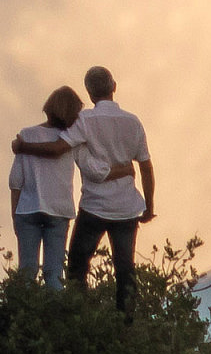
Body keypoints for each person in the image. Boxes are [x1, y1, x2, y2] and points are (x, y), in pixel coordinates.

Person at [13, 66, 154, 317]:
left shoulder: (85, 121)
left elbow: (57, 148)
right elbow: (145, 167)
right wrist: (149, 206)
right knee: (125, 269)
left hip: (95, 207)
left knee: (77, 265)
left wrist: (24, 147)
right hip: (127, 208)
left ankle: (79, 318)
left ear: (89, 93)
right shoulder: (133, 122)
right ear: (114, 87)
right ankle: (126, 323)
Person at [9, 85, 134, 290]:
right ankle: (58, 319)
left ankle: (22, 317)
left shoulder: (26, 135)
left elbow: (16, 182)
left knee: (26, 272)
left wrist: (15, 216)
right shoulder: (72, 141)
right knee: (54, 274)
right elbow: (95, 170)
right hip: (59, 212)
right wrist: (124, 170)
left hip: (27, 210)